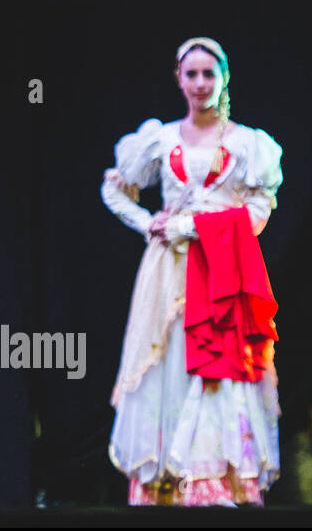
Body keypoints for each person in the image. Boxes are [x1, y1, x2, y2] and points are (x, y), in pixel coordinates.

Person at [100, 37, 283, 506]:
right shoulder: (159, 139)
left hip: (222, 269)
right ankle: (168, 484)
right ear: (178, 80)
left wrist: (195, 227)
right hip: (169, 274)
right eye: (191, 74)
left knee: (220, 367)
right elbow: (117, 190)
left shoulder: (249, 144)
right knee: (168, 364)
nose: (201, 83)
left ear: (223, 77)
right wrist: (149, 222)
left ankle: (217, 484)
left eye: (209, 73)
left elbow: (259, 211)